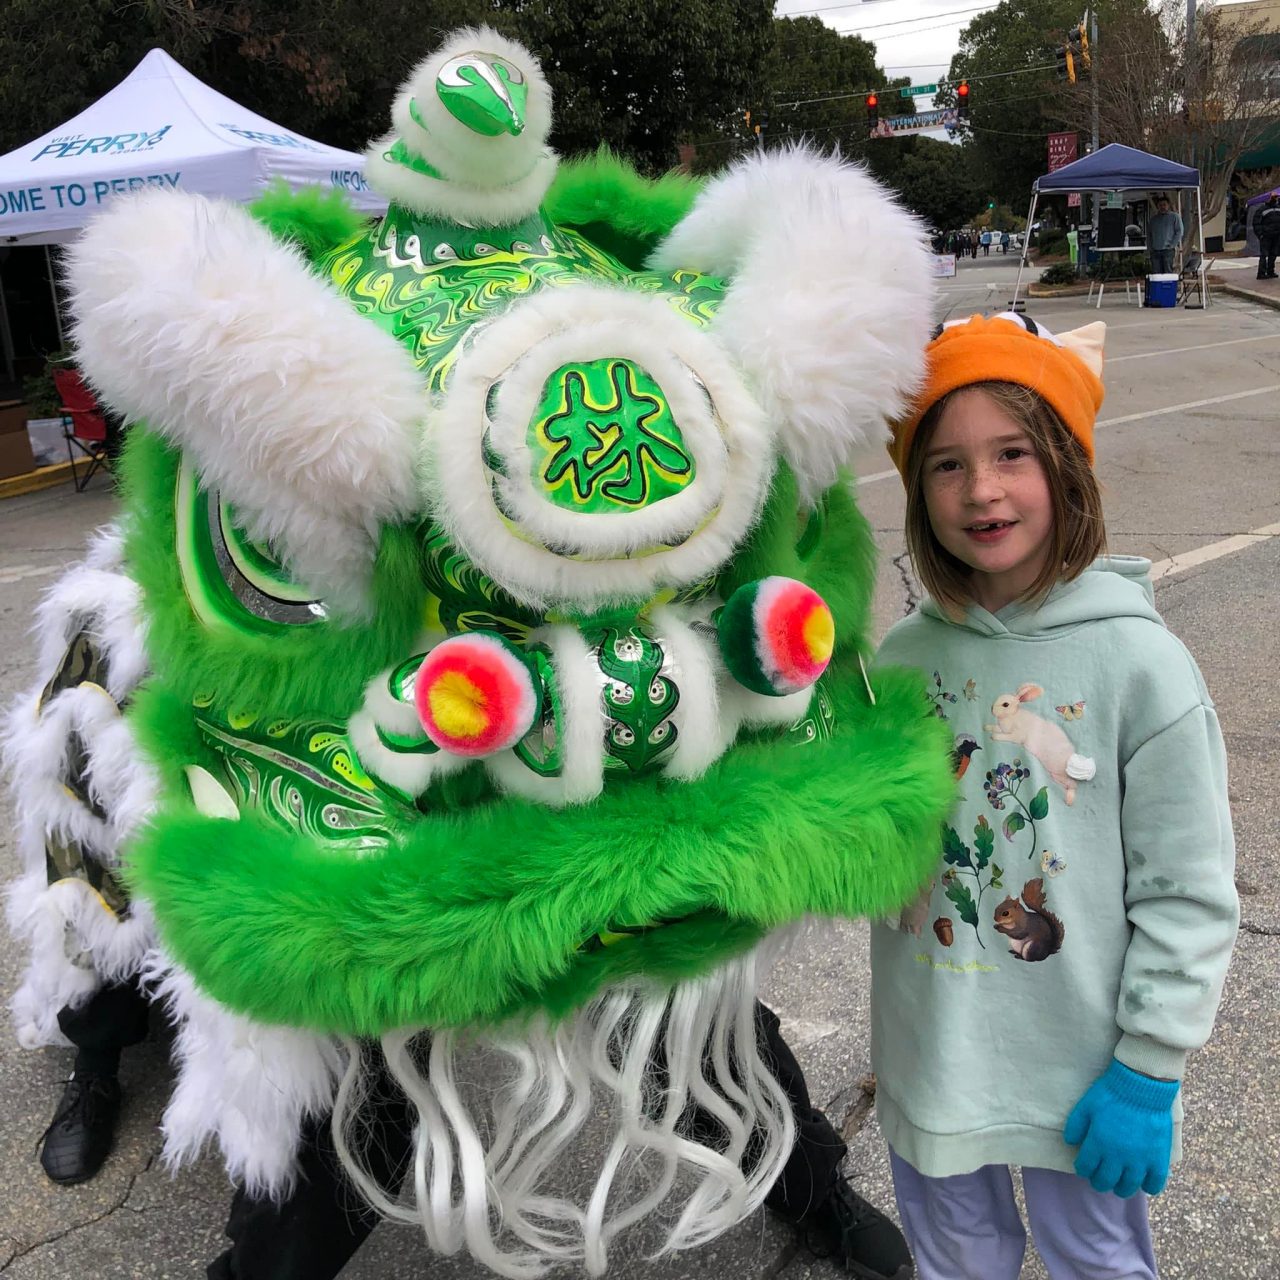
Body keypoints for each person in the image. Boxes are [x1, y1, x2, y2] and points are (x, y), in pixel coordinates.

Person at [870, 312, 1239, 1280]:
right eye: (943, 464)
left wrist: (1148, 1064)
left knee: (1096, 1262)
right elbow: (869, 838)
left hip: (1082, 1073)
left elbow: (1186, 886)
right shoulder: (901, 658)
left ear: (1066, 471)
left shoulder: (1138, 661)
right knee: (951, 1259)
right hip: (932, 1055)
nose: (980, 488)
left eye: (1010, 453)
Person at [209, 1005, 914, 1280]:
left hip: (594, 746)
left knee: (692, 1016)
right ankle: (269, 1265)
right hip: (403, 764)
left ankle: (810, 1187)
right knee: (366, 1070)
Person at [1148, 195, 1183, 274]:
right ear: (1157, 206)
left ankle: (1167, 286)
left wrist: (1172, 245)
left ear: (1168, 205)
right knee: (1156, 273)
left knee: (1167, 272)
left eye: (1164, 205)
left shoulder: (1174, 217)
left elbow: (1179, 231)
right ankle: (1158, 287)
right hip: (1155, 251)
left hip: (1168, 250)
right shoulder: (1153, 220)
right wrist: (1150, 248)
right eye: (1160, 205)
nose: (1162, 207)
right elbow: (1149, 235)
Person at [1254, 193, 1280, 279]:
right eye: (1274, 197)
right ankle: (1261, 273)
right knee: (1264, 255)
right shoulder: (1261, 210)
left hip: (1276, 236)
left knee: (1273, 254)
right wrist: (1260, 234)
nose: (1276, 199)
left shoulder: (1278, 208)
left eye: (1276, 197)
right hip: (1266, 236)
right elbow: (1256, 223)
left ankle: (1270, 271)